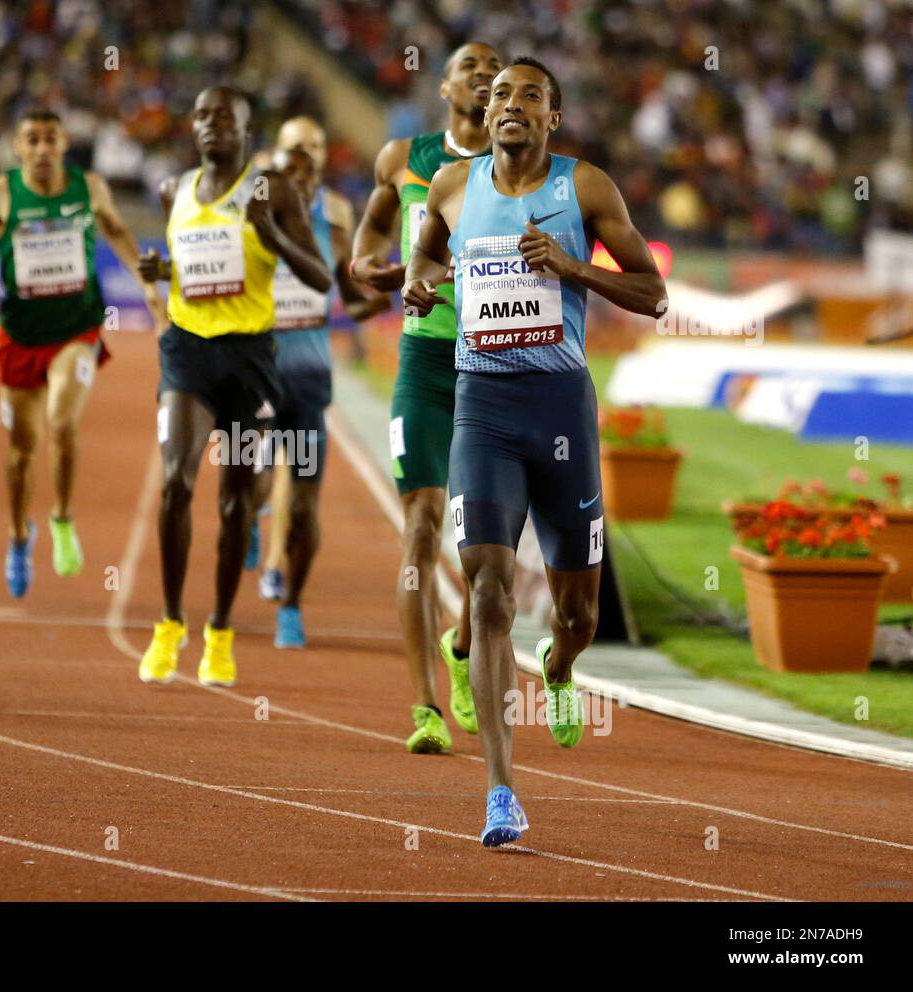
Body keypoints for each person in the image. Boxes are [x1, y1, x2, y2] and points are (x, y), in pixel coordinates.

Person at [403, 57, 667, 845]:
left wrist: (572, 265)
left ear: (553, 118)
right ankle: (500, 791)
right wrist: (418, 284)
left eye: (529, 96)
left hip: (560, 413)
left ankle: (558, 667)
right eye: (499, 96)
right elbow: (422, 259)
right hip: (482, 410)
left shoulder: (585, 189)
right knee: (487, 587)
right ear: (483, 116)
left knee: (578, 613)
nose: (510, 105)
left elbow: (654, 293)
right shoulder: (452, 189)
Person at [136, 85, 330, 687]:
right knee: (175, 481)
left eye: (225, 116)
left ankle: (219, 630)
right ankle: (171, 622)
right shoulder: (174, 190)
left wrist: (275, 240)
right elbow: (189, 269)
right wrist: (159, 271)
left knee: (236, 504)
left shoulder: (272, 189)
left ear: (248, 129)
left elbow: (320, 278)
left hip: (251, 364)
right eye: (200, 115)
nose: (210, 124)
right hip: (187, 356)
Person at [350, 41, 502, 754]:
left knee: (489, 547)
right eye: (469, 66)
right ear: (445, 85)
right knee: (423, 525)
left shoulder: (518, 168)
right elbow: (373, 229)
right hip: (423, 359)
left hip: (495, 362)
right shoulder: (403, 157)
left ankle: (463, 647)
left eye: (493, 69)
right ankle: (424, 709)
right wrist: (365, 264)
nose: (481, 76)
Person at [0, 109, 166, 596]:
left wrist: (148, 286)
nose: (43, 148)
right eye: (33, 140)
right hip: (21, 337)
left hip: (77, 330)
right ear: (18, 147)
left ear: (64, 145)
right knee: (21, 453)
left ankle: (63, 518)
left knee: (62, 424)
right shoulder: (1, 194)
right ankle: (19, 536)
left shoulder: (89, 188)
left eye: (51, 139)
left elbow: (117, 233)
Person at [257, 119, 389, 647]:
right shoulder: (251, 209)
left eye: (314, 149)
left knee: (304, 494)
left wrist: (386, 293)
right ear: (275, 156)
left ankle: (289, 601)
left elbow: (350, 295)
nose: (304, 158)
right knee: (254, 477)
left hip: (309, 379)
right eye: (294, 150)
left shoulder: (333, 217)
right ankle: (250, 523)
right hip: (255, 371)